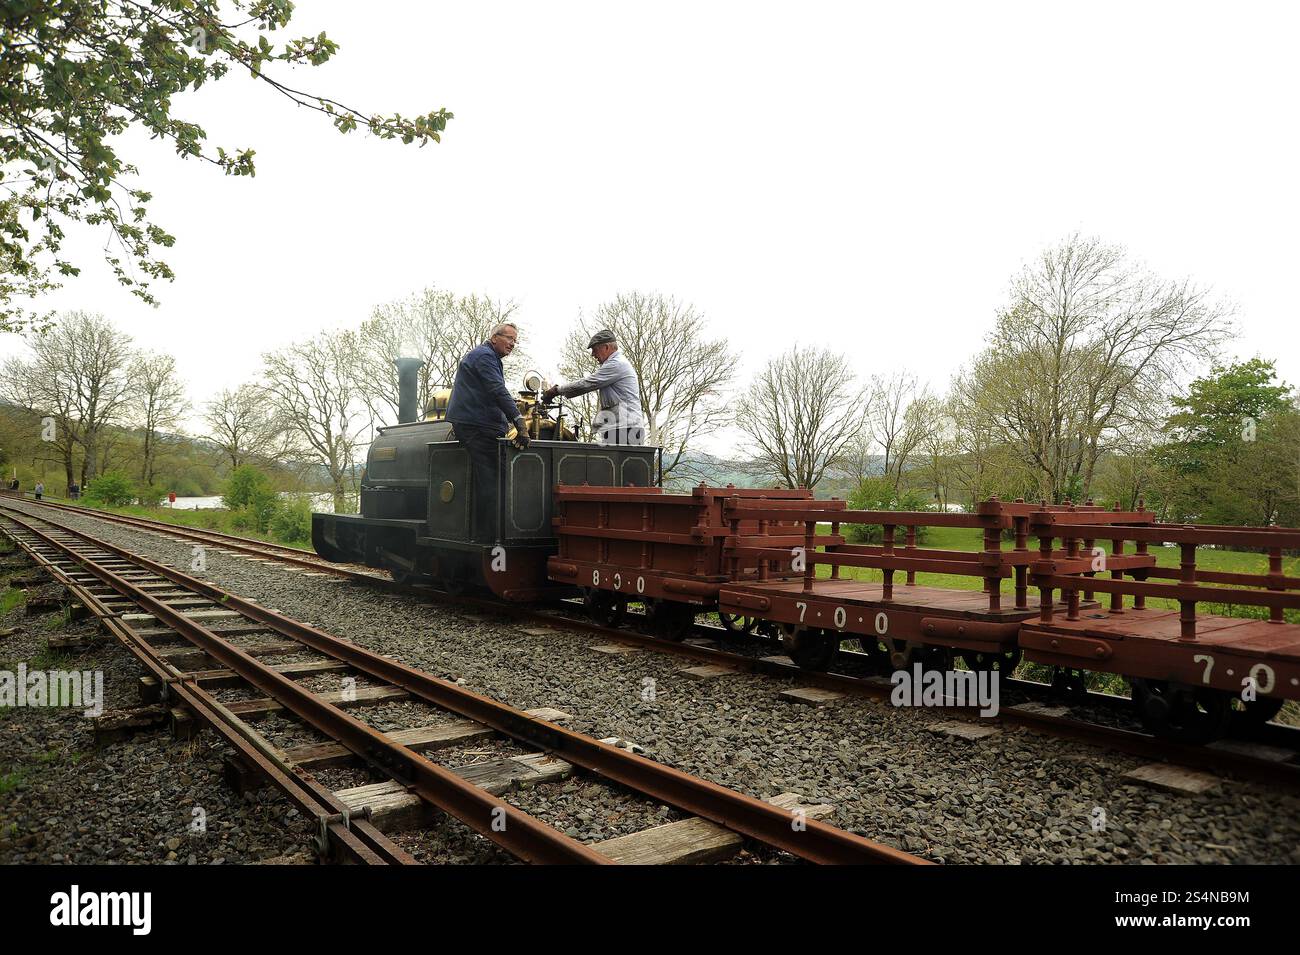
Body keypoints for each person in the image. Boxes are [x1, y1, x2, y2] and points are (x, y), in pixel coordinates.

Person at [445, 323, 531, 543]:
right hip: (476, 425)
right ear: (494, 337)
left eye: (515, 340)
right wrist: (519, 421)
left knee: (497, 475)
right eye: (509, 338)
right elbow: (496, 390)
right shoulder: (484, 356)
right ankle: (489, 536)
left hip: (481, 423)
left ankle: (492, 532)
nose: (513, 344)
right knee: (492, 478)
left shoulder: (488, 357)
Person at [542, 329, 645, 444]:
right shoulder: (616, 364)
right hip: (618, 427)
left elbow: (587, 384)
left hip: (625, 429)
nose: (593, 354)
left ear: (606, 347)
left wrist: (557, 390)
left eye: (595, 350)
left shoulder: (617, 364)